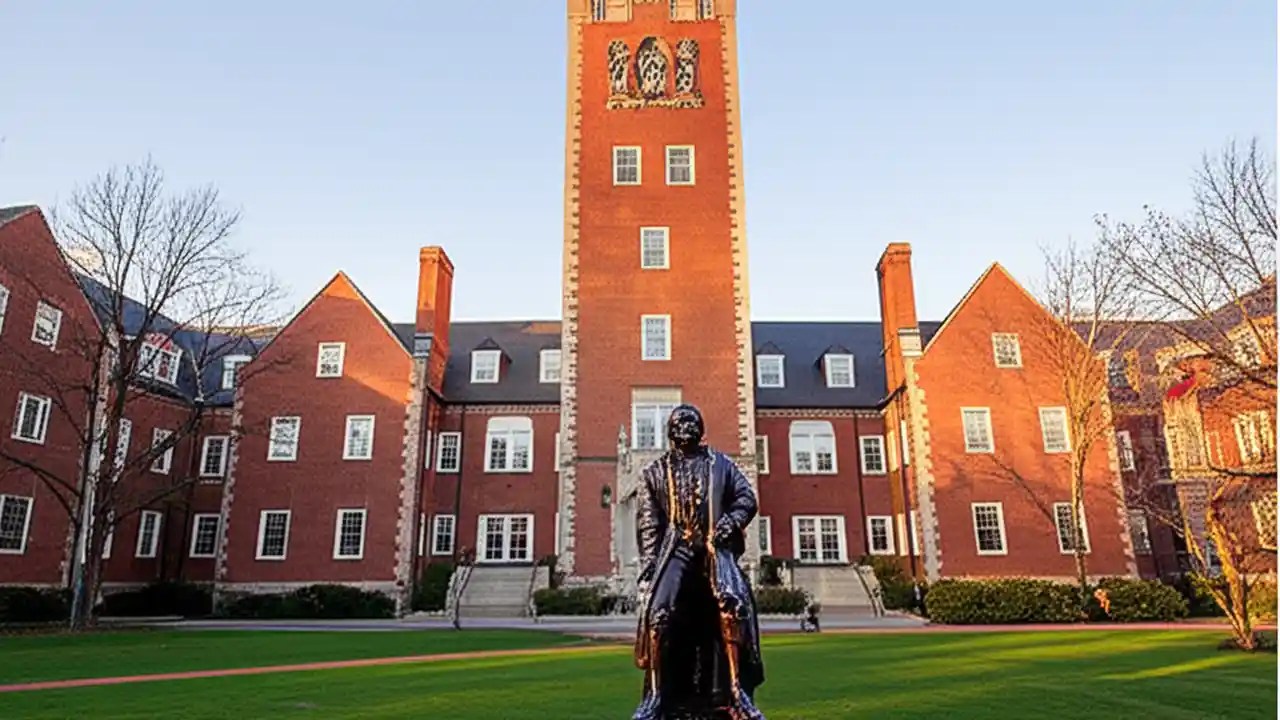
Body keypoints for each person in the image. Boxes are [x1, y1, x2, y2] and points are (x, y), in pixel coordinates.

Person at [632, 404, 766, 720]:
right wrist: (650, 560)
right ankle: (655, 694)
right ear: (669, 431)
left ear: (701, 428)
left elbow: (747, 499)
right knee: (659, 612)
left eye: (692, 421)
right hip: (675, 549)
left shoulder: (721, 465)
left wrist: (730, 522)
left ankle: (736, 690)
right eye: (679, 422)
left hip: (713, 546)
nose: (686, 426)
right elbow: (649, 522)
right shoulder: (654, 472)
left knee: (731, 603)